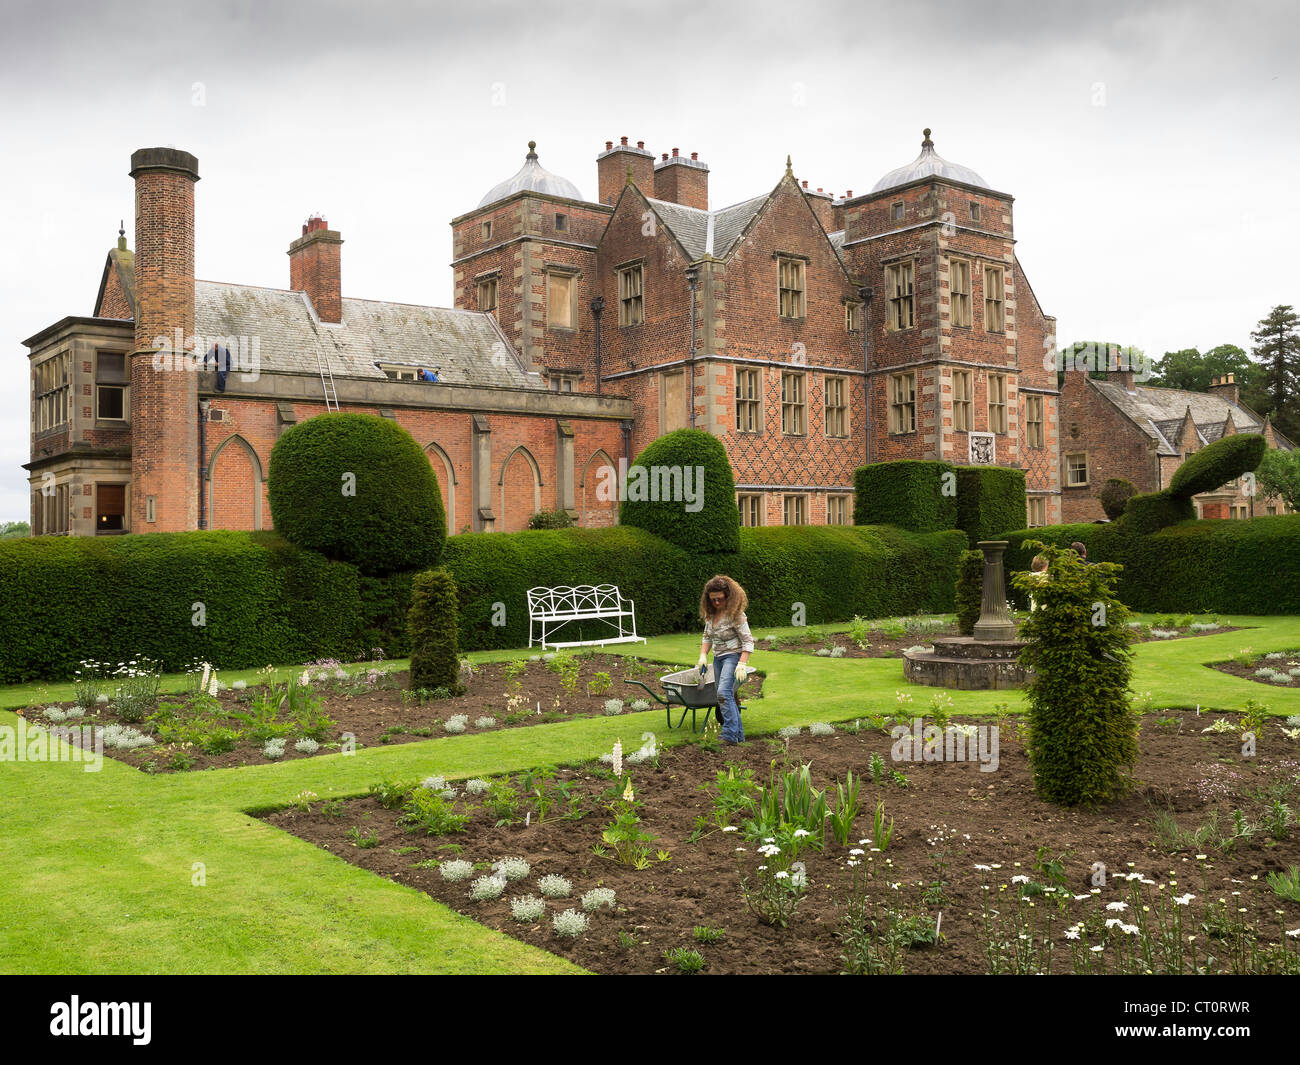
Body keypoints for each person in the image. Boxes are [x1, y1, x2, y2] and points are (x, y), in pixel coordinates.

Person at [696, 575, 753, 745]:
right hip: (718, 658)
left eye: (719, 599)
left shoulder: (736, 615)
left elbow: (748, 641)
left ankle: (728, 733)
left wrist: (742, 663)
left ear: (727, 596)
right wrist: (703, 655)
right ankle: (739, 737)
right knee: (725, 695)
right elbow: (707, 637)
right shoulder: (711, 615)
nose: (717, 603)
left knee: (723, 693)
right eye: (713, 600)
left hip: (733, 657)